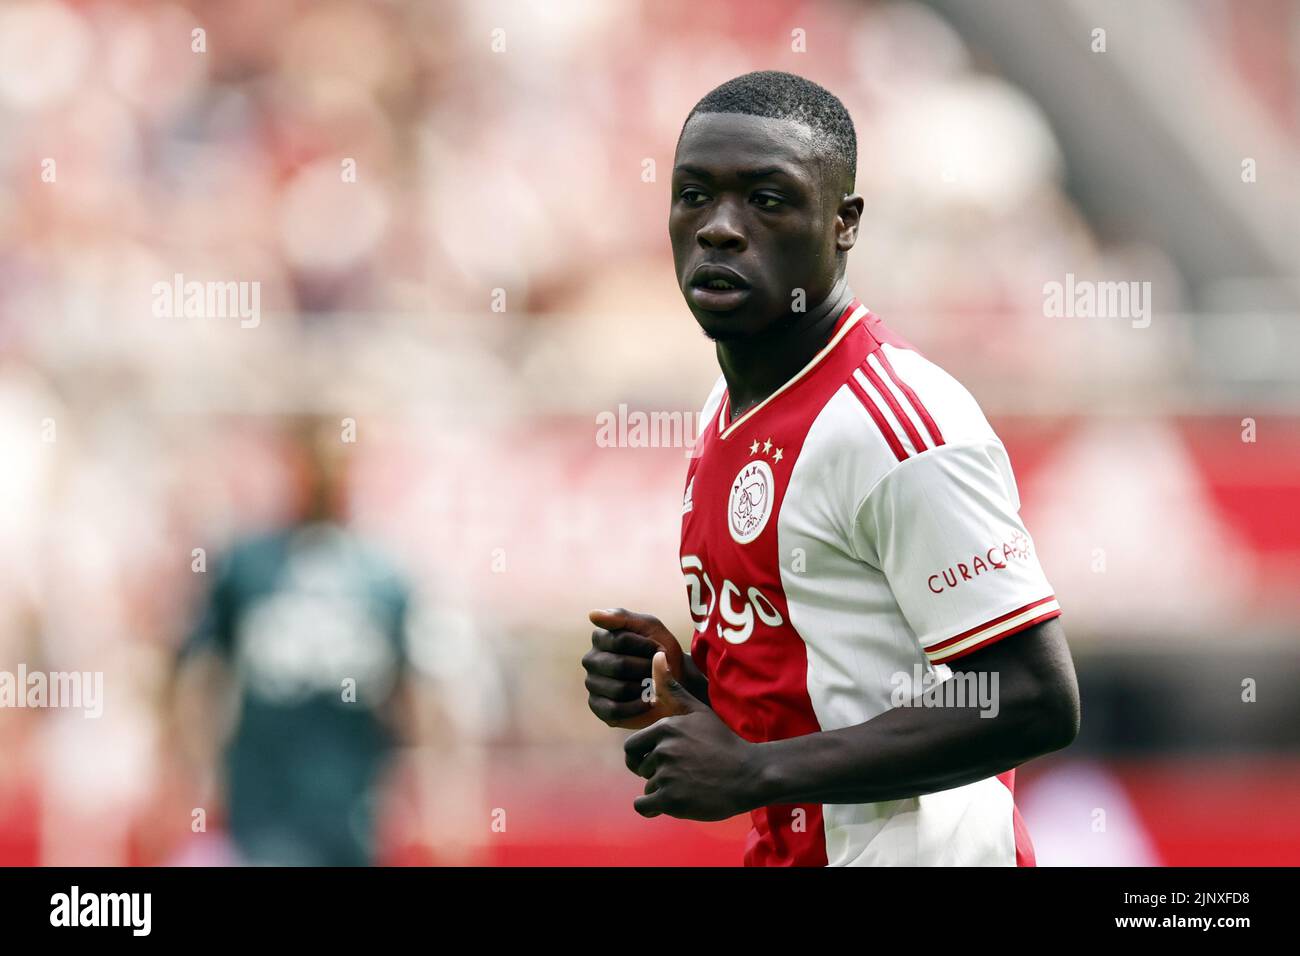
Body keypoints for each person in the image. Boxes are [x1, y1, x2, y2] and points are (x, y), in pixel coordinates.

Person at [582, 71, 1079, 866]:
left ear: (844, 223)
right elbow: (829, 684)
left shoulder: (897, 421)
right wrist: (684, 686)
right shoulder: (725, 408)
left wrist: (756, 771)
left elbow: (1033, 699)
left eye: (766, 199)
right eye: (693, 195)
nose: (718, 228)